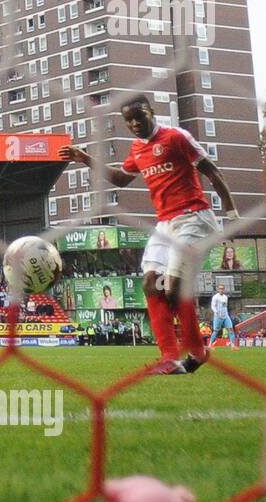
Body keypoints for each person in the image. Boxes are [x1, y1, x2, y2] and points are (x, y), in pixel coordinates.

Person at [61, 94, 238, 375]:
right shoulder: (137, 149)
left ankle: (198, 351)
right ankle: (169, 357)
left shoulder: (176, 137)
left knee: (174, 287)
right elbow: (120, 178)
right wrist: (85, 159)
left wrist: (231, 215)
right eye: (128, 120)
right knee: (150, 284)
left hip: (194, 218)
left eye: (139, 116)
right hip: (165, 224)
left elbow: (213, 172)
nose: (134, 123)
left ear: (151, 112)